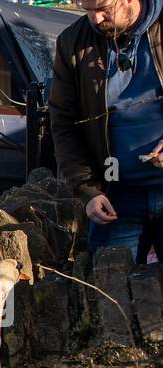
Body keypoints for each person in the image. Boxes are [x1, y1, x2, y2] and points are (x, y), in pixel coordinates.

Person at [51, 0, 163, 257]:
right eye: (87, 10)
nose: (97, 20)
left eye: (104, 9)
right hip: (115, 195)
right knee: (108, 286)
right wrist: (86, 189)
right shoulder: (72, 42)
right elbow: (64, 123)